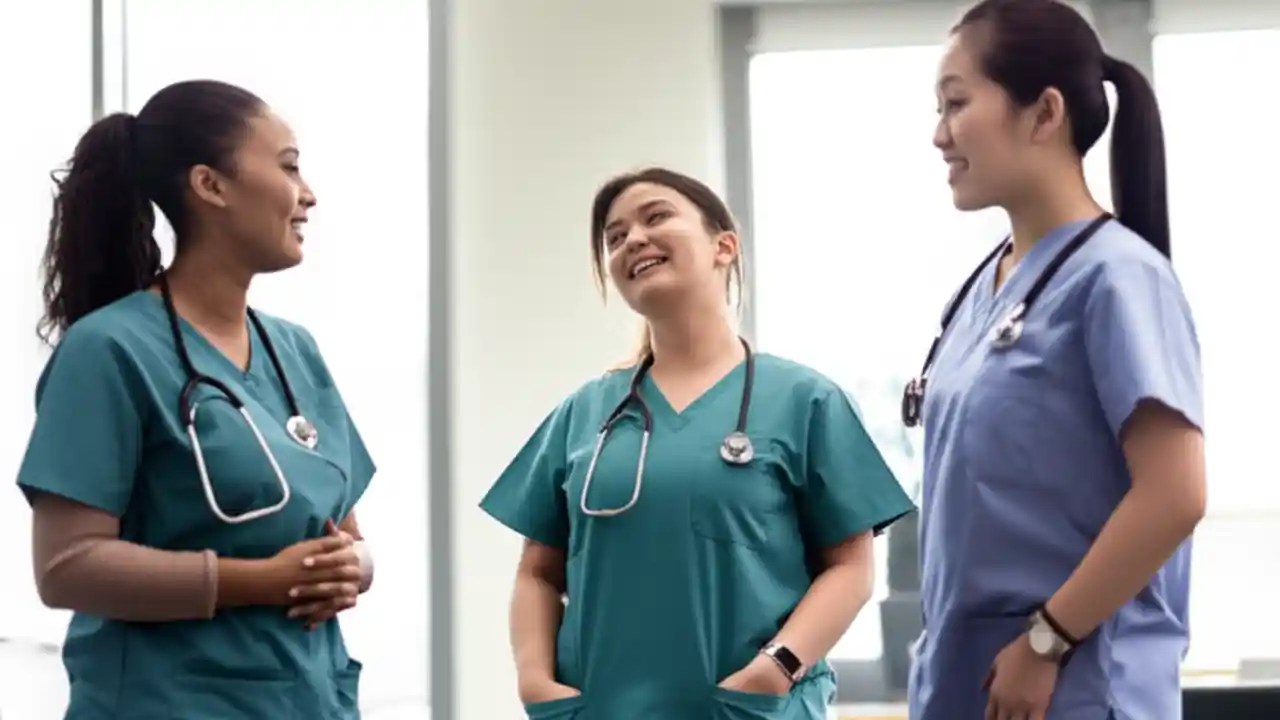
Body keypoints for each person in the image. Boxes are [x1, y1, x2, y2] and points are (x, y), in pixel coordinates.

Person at [480, 167, 916, 720]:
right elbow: (538, 572)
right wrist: (535, 679)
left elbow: (851, 567)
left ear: (724, 246)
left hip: (744, 710)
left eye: (656, 216)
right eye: (614, 238)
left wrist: (777, 667)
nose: (633, 239)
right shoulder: (585, 413)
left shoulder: (803, 400)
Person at [17, 79, 377, 718]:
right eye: (289, 166)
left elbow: (342, 533)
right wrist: (257, 582)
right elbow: (66, 567)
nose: (309, 194)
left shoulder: (295, 351)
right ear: (210, 185)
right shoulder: (110, 350)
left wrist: (354, 568)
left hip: (305, 698)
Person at [906, 1, 1207, 718]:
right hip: (965, 678)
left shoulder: (1117, 277)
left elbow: (1175, 494)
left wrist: (1049, 639)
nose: (938, 134)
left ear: (1043, 114)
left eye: (955, 103)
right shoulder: (983, 287)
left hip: (1074, 684)